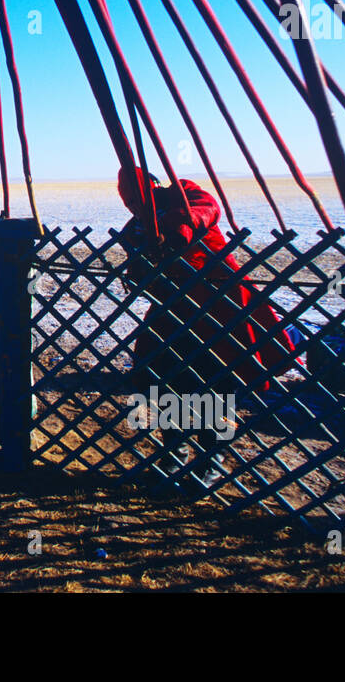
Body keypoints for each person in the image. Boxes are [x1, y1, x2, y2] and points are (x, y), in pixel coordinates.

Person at [116, 167, 295, 484]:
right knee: (166, 381)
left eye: (138, 196)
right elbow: (139, 272)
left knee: (217, 384)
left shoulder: (183, 194)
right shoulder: (136, 226)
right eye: (129, 200)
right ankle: (174, 455)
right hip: (173, 311)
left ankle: (212, 461)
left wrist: (170, 228)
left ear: (156, 186)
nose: (134, 204)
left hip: (219, 307)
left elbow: (205, 211)